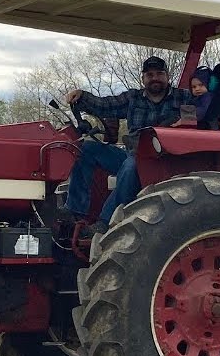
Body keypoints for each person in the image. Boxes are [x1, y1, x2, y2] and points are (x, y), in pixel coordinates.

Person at [63, 55, 187, 232]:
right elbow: (105, 105)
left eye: (160, 74)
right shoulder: (133, 98)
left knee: (130, 167)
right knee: (86, 149)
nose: (155, 78)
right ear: (143, 78)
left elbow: (206, 108)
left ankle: (106, 222)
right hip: (133, 151)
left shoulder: (182, 98)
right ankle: (75, 211)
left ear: (167, 76)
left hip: (163, 160)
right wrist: (82, 97)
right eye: (150, 74)